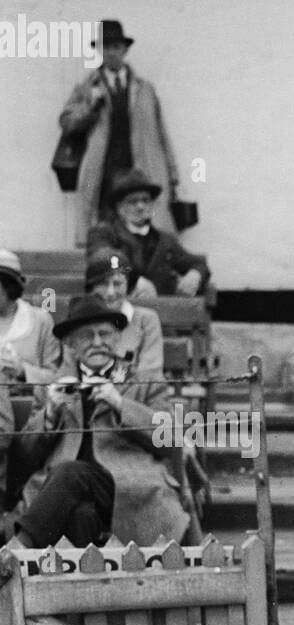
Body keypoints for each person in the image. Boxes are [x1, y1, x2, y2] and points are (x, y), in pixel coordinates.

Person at [2, 296, 185, 548]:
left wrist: (121, 404)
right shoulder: (53, 387)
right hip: (63, 496)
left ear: (117, 338)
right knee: (80, 515)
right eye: (87, 336)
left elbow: (170, 439)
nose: (98, 342)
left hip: (126, 487)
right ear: (71, 345)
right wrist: (50, 415)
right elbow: (22, 459)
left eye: (105, 334)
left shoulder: (144, 379)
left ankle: (12, 554)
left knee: (70, 471)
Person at [57, 19, 181, 246]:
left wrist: (172, 173)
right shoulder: (87, 88)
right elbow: (67, 123)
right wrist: (90, 107)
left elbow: (161, 133)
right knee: (104, 228)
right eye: (106, 47)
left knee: (145, 224)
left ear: (124, 50)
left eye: (116, 47)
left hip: (140, 170)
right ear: (99, 51)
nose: (111, 53)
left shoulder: (144, 89)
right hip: (103, 172)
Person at [87, 169, 210, 299]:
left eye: (145, 200)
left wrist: (195, 275)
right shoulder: (104, 233)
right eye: (133, 201)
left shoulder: (165, 240)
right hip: (117, 309)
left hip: (162, 313)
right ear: (119, 208)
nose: (140, 206)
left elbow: (198, 263)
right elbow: (102, 259)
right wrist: (135, 281)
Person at [84, 249, 164, 381]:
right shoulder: (78, 321)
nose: (110, 292)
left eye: (117, 284)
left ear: (128, 287)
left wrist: (117, 398)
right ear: (92, 288)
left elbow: (150, 374)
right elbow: (68, 374)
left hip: (132, 398)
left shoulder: (146, 320)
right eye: (103, 284)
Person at [0, 251, 60, 386]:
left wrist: (22, 371)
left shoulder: (41, 321)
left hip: (30, 403)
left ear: (9, 286)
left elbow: (55, 377)